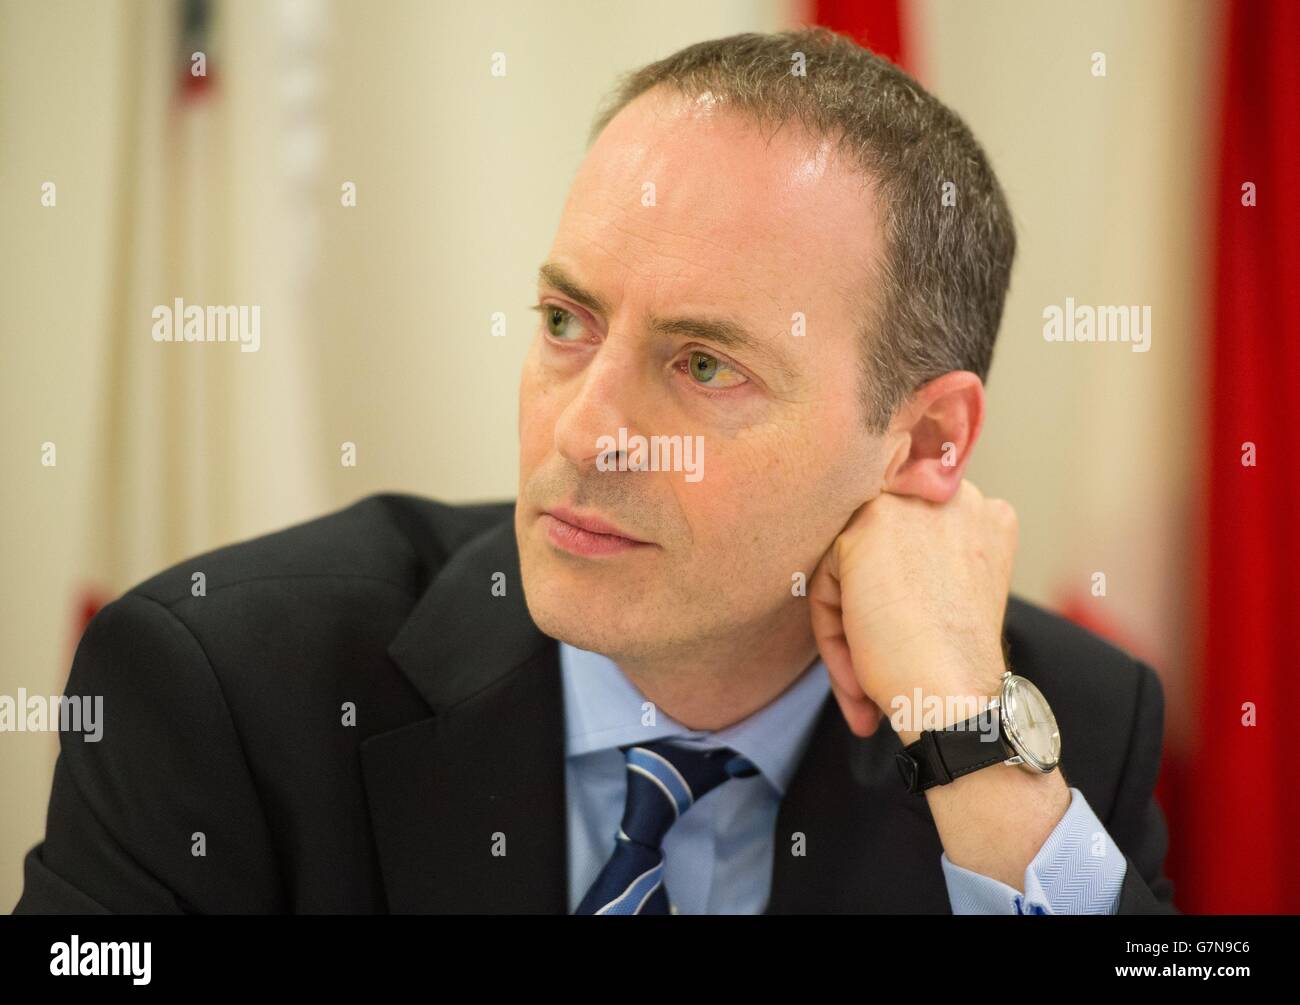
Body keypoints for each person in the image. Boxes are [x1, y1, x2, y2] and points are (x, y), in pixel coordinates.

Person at [15, 27, 1175, 915]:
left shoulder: (1063, 721)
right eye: (566, 321)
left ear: (925, 444)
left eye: (705, 363)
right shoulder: (220, 688)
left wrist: (970, 744)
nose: (584, 433)